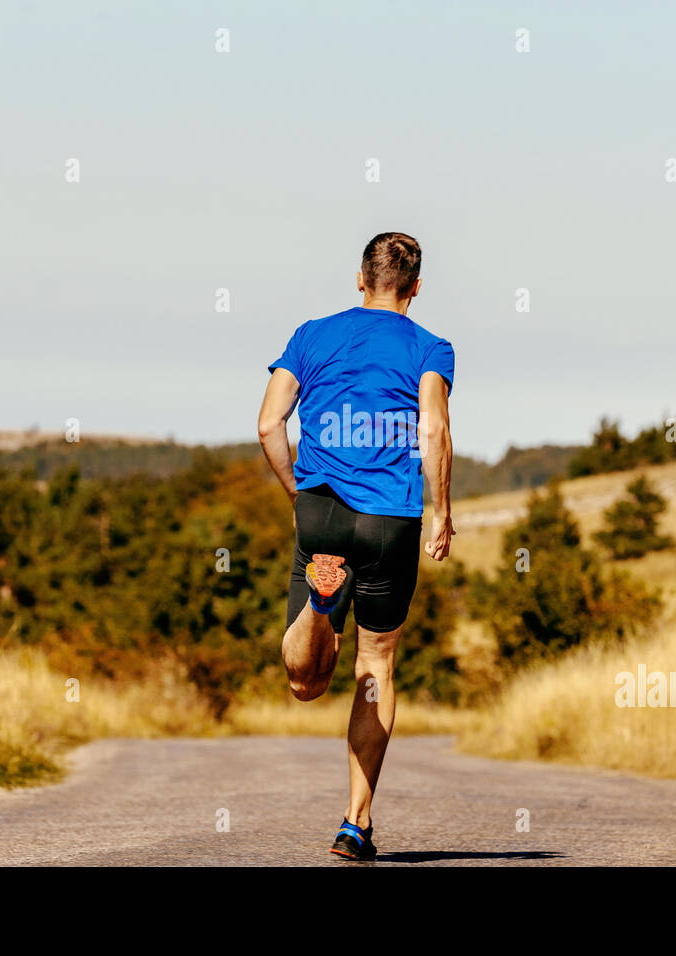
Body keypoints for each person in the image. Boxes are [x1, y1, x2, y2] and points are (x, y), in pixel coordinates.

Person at [256, 231, 455, 860]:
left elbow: (267, 423)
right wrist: (440, 513)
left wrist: (297, 494)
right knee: (375, 668)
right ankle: (355, 822)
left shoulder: (312, 335)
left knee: (305, 683)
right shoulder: (430, 347)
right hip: (388, 521)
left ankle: (319, 609)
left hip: (321, 515)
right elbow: (436, 430)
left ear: (360, 279)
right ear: (416, 288)